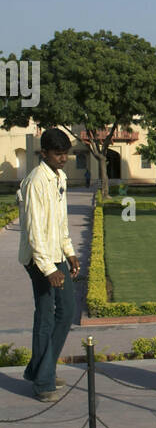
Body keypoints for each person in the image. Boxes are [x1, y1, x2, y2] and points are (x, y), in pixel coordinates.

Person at [17, 128, 80, 401]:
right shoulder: (35, 182)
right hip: (38, 259)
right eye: (58, 154)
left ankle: (37, 369)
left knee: (67, 311)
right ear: (43, 153)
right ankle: (43, 381)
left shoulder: (59, 177)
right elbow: (34, 232)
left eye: (65, 153)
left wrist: (69, 252)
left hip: (55, 254)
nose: (63, 158)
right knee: (45, 316)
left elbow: (59, 223)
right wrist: (49, 268)